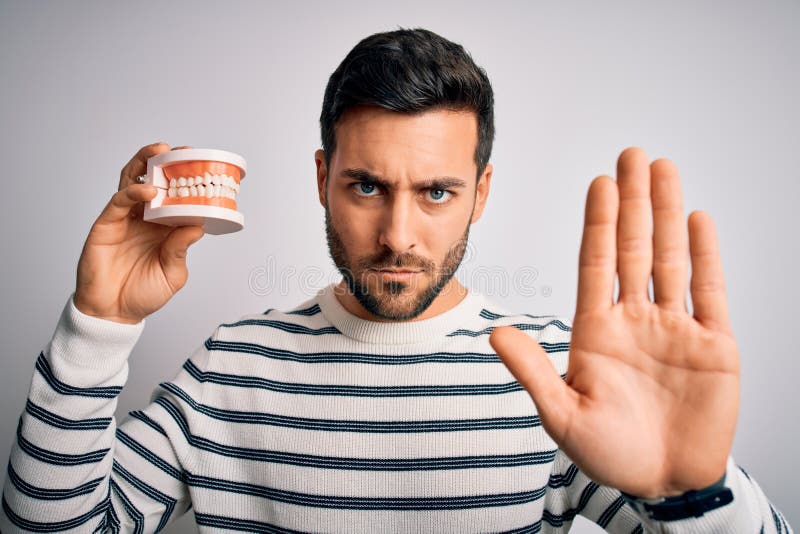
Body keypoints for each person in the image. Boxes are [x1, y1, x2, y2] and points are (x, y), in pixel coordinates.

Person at [1, 27, 792, 533]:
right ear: (323, 179)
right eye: (367, 186)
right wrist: (95, 327)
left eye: (438, 192)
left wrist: (697, 493)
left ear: (482, 192)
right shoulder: (231, 368)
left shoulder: (567, 378)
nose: (398, 236)